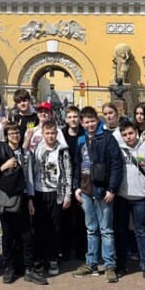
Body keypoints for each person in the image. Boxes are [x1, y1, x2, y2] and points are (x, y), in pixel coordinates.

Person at [0, 123, 47, 285]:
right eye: (11, 133)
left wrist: (30, 199)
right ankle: (9, 267)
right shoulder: (0, 151)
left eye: (17, 133)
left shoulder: (26, 154)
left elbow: (29, 178)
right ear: (6, 135)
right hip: (6, 198)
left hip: (22, 198)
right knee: (7, 235)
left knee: (26, 234)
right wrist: (3, 166)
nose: (15, 136)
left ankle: (28, 268)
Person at [72, 106, 123, 283]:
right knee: (91, 228)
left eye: (92, 121)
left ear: (97, 120)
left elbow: (116, 165)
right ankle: (91, 263)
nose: (90, 125)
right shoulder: (81, 140)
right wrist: (76, 186)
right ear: (82, 123)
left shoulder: (107, 138)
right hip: (85, 188)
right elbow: (77, 164)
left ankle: (109, 265)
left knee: (106, 230)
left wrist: (112, 188)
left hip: (103, 189)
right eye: (86, 122)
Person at [116, 120, 145, 282]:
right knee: (121, 232)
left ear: (136, 132)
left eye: (131, 133)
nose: (128, 137)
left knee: (141, 232)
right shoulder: (119, 150)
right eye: (125, 135)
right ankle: (121, 265)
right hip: (122, 197)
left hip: (141, 198)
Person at [28, 120, 72, 277]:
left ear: (56, 133)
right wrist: (30, 194)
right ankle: (41, 258)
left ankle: (53, 258)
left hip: (56, 192)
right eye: (47, 133)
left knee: (55, 227)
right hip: (40, 192)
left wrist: (67, 195)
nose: (50, 136)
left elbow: (67, 172)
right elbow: (31, 170)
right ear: (43, 134)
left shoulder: (62, 150)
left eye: (53, 133)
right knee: (40, 227)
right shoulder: (38, 149)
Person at [60, 105, 87, 263]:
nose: (73, 120)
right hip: (65, 179)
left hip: (81, 178)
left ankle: (81, 249)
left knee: (81, 216)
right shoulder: (61, 135)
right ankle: (65, 249)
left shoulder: (84, 135)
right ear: (66, 119)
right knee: (65, 216)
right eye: (70, 117)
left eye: (75, 117)